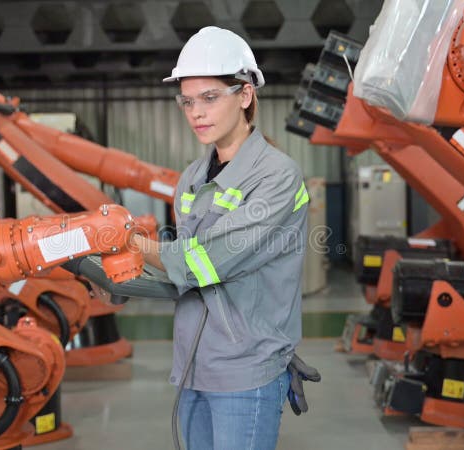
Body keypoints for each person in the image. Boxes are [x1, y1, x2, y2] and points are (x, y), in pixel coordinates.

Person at [131, 26, 319, 450]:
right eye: (187, 101)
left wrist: (131, 245)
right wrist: (108, 276)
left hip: (245, 371)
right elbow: (180, 274)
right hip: (194, 365)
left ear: (246, 95)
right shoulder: (192, 178)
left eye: (210, 98)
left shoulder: (276, 175)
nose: (196, 112)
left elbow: (205, 261)